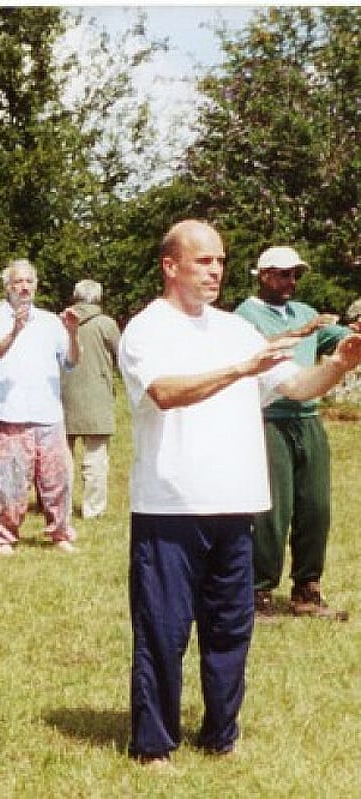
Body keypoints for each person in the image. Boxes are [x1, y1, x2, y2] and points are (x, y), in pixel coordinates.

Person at [119, 220, 361, 765]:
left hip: (237, 504)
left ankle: (220, 736)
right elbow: (164, 393)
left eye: (221, 261)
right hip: (172, 506)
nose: (215, 272)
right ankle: (154, 745)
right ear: (170, 265)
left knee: (230, 631)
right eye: (203, 261)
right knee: (163, 631)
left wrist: (338, 364)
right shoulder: (147, 329)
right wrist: (239, 370)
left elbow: (294, 387)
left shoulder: (235, 329)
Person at [235, 246, 350, 620]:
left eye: (295, 274)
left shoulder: (305, 312)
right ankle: (258, 590)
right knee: (272, 508)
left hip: (308, 416)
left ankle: (307, 588)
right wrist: (303, 331)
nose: (291, 281)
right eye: (283, 274)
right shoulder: (244, 317)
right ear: (263, 274)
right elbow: (261, 352)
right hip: (269, 418)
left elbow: (338, 339)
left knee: (316, 506)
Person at [0, 259, 80, 555]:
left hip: (49, 414)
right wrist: (14, 331)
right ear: (7, 287)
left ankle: (60, 533)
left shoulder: (50, 321)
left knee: (57, 479)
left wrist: (72, 332)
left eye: (29, 282)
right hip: (10, 412)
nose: (24, 287)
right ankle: (4, 536)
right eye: (18, 282)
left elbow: (71, 362)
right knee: (10, 481)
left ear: (36, 285)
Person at [59, 279, 121, 519]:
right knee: (95, 457)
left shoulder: (61, 321)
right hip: (97, 395)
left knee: (63, 456)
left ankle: (58, 506)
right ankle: (93, 509)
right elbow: (121, 353)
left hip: (63, 394)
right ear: (98, 297)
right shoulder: (106, 324)